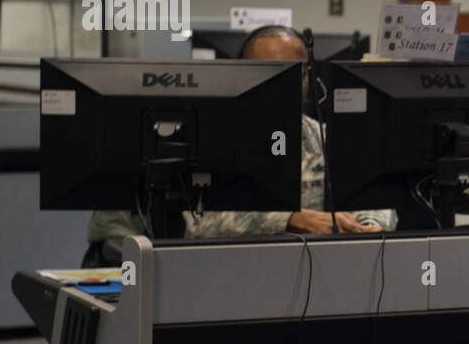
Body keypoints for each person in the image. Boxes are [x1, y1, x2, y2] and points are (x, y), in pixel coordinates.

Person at [82, 25, 395, 266]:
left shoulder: (323, 139)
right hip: (212, 275)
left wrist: (367, 227)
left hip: (305, 274)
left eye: (294, 72)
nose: (282, 84)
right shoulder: (205, 137)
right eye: (268, 72)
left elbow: (374, 194)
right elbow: (194, 225)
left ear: (307, 79)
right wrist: (290, 219)